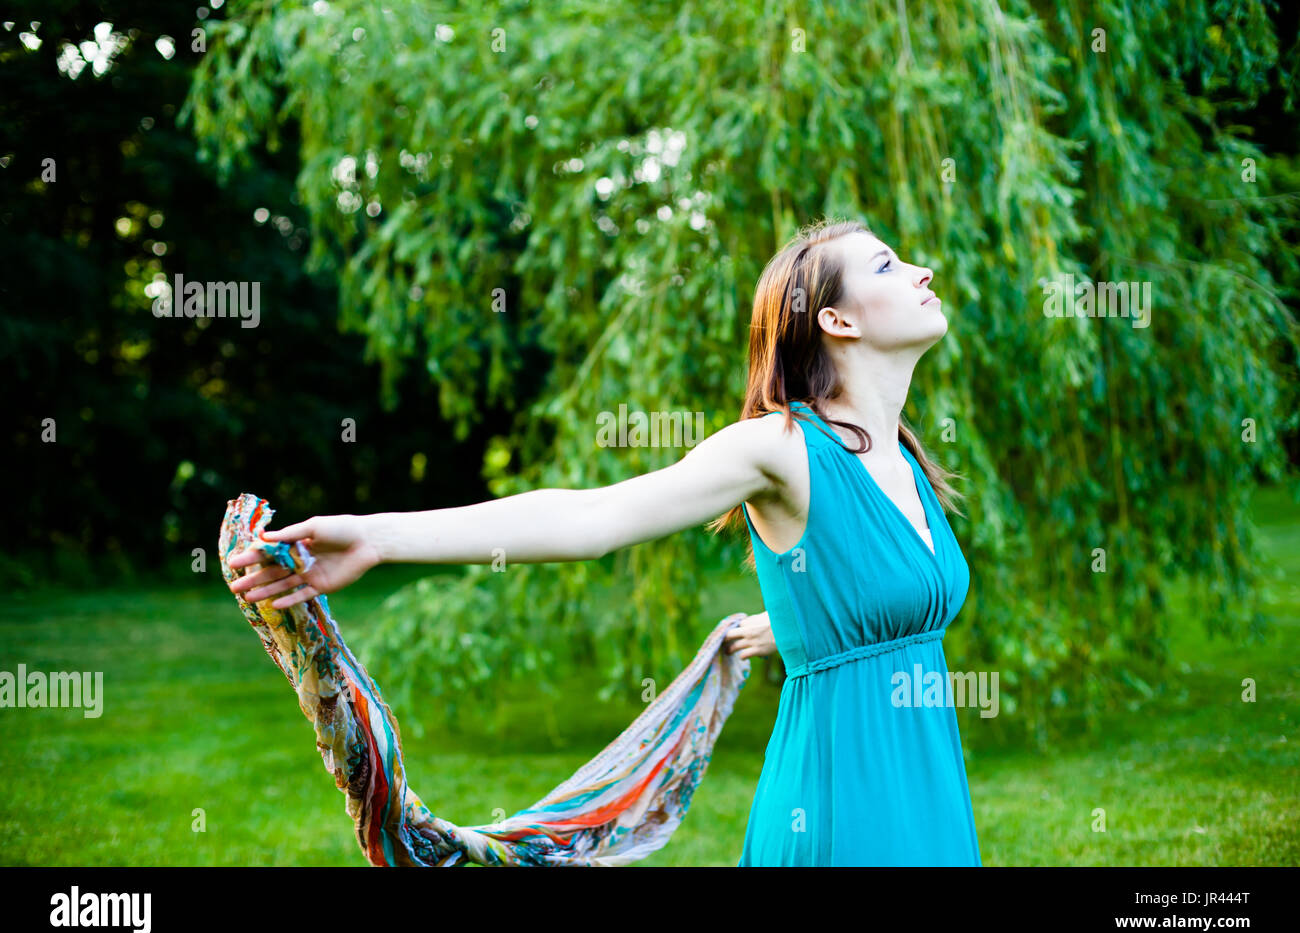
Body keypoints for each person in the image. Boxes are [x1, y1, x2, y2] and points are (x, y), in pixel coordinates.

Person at [228, 217, 980, 866]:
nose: (922, 270)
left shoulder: (905, 455)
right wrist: (377, 537)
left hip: (930, 788)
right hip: (843, 801)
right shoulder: (779, 447)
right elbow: (590, 520)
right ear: (837, 321)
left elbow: (866, 603)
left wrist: (784, 627)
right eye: (886, 264)